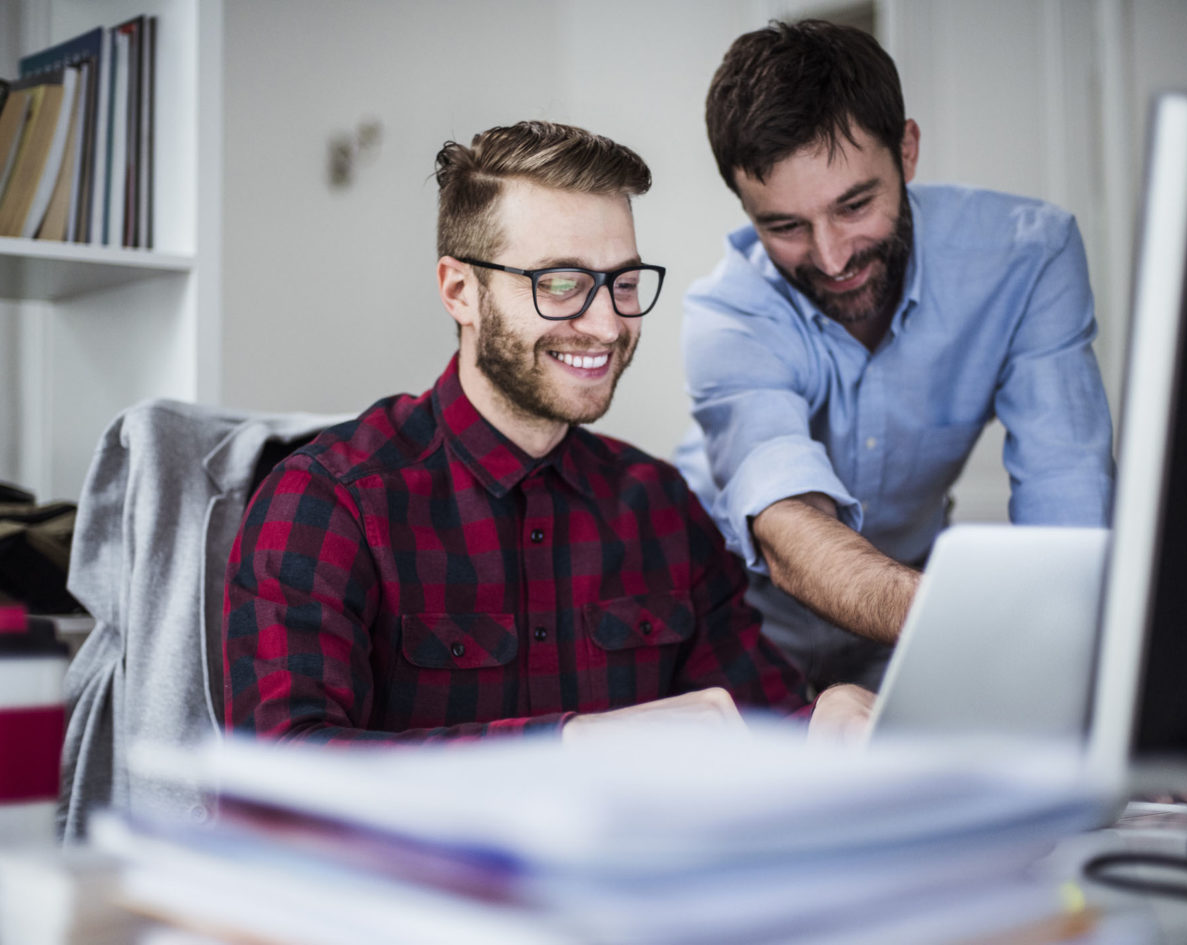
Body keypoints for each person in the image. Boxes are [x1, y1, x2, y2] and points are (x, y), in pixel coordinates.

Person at [223, 120, 871, 744]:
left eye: (623, 283)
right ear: (460, 290)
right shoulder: (329, 502)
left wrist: (825, 718)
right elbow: (279, 777)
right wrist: (569, 744)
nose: (608, 325)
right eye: (560, 283)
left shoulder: (661, 507)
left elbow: (762, 729)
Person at [674, 19, 1116, 692]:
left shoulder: (1028, 260)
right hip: (737, 618)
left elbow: (1068, 506)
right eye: (785, 226)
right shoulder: (727, 312)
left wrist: (1078, 661)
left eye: (854, 206)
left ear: (907, 151)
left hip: (906, 612)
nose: (831, 258)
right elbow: (791, 525)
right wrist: (978, 624)